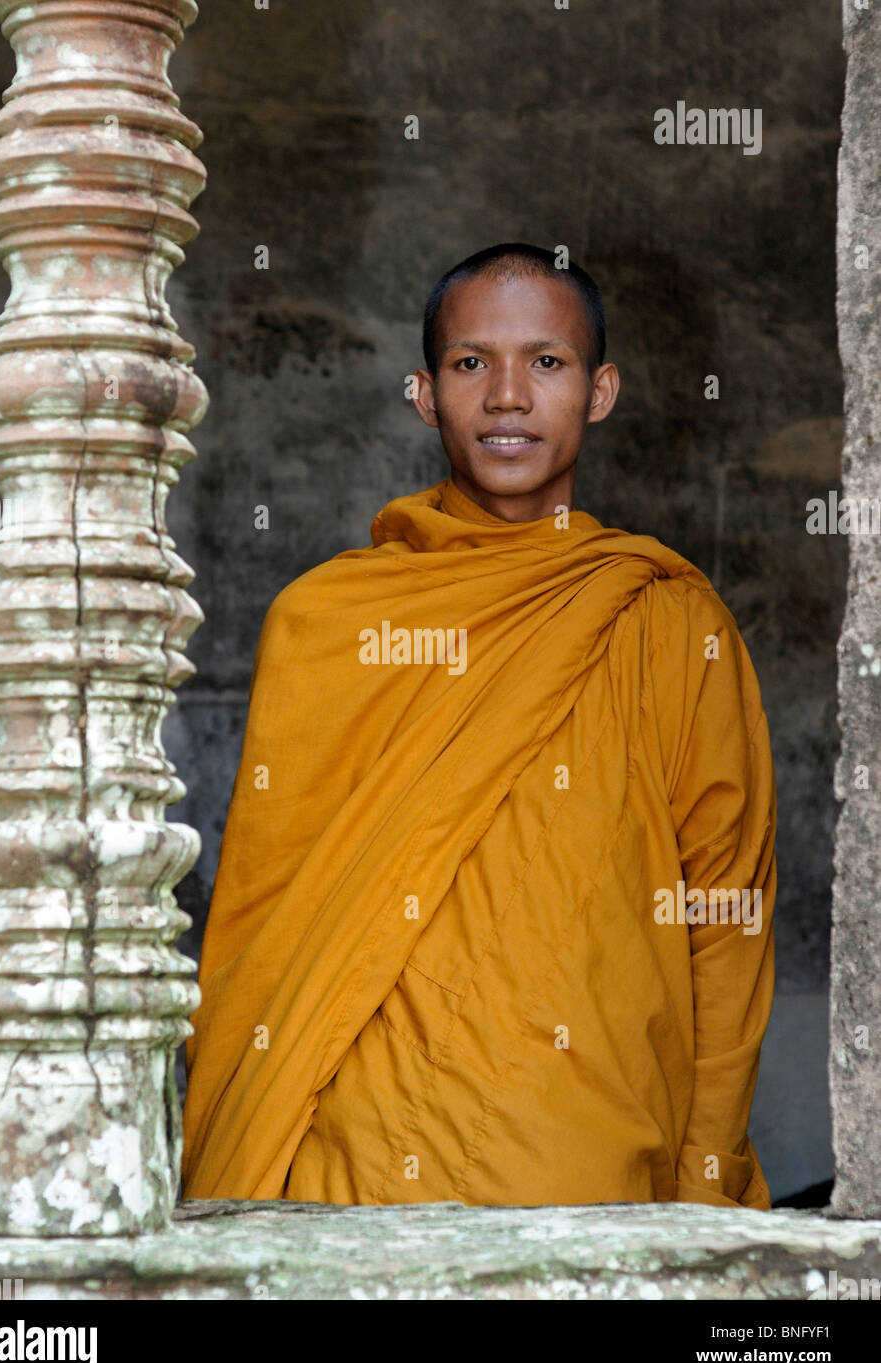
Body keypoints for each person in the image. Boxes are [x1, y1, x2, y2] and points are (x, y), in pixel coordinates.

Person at [180, 242, 776, 1209]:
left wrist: (703, 1175)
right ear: (423, 394)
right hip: (353, 1147)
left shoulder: (664, 617)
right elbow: (261, 922)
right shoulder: (329, 621)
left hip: (587, 1147)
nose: (507, 395)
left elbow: (724, 909)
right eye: (470, 364)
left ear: (600, 390)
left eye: (546, 362)